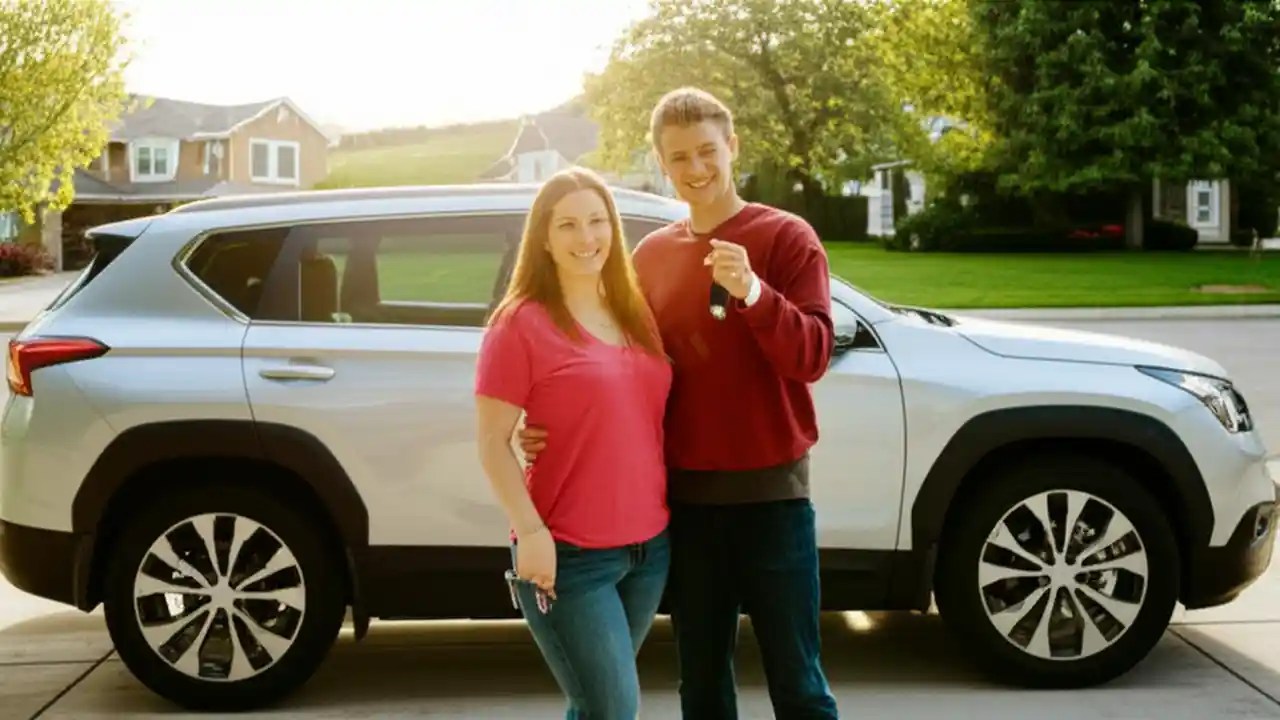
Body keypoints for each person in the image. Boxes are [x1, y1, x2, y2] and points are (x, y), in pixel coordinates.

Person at [519, 87, 840, 718]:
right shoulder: (652, 255)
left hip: (773, 503)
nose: (695, 170)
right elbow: (624, 370)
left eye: (706, 152)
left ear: (733, 147)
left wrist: (752, 292)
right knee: (702, 687)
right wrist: (542, 425)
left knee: (798, 685)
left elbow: (812, 356)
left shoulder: (785, 237)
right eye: (679, 158)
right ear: (661, 163)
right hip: (684, 509)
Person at [474, 166, 673, 720]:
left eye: (596, 221)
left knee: (594, 708)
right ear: (543, 237)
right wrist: (532, 533)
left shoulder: (633, 313)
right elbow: (492, 443)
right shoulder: (520, 324)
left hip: (649, 550)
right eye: (567, 225)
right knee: (613, 708)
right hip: (568, 557)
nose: (586, 238)